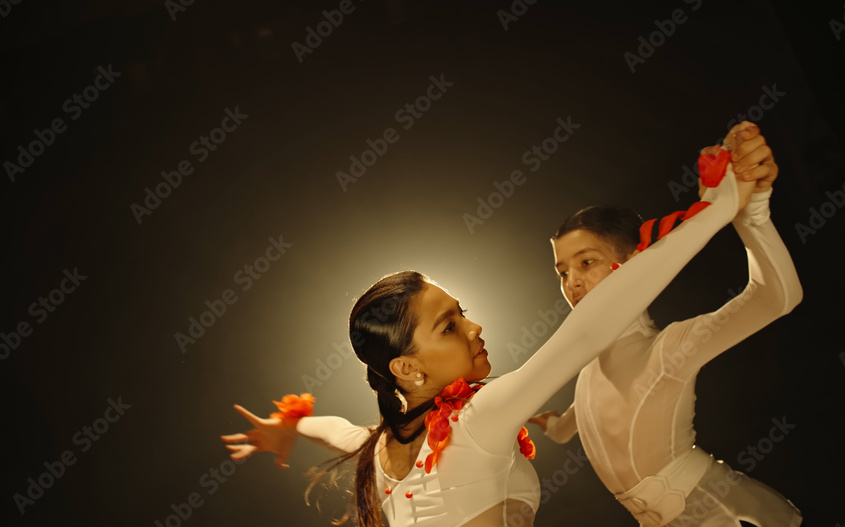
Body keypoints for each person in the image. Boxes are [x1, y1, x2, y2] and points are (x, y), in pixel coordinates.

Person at [220, 134, 755, 527]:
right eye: (450, 325)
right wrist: (716, 211)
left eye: (463, 312)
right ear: (407, 368)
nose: (475, 327)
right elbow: (590, 331)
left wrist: (289, 425)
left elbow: (334, 429)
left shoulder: (379, 452)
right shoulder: (479, 419)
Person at [528, 122, 803, 526]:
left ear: (634, 260)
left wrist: (752, 212)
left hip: (720, 512)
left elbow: (777, 297)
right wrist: (554, 426)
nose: (573, 283)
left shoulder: (669, 349)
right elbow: (578, 421)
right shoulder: (587, 364)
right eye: (562, 272)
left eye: (587, 262)